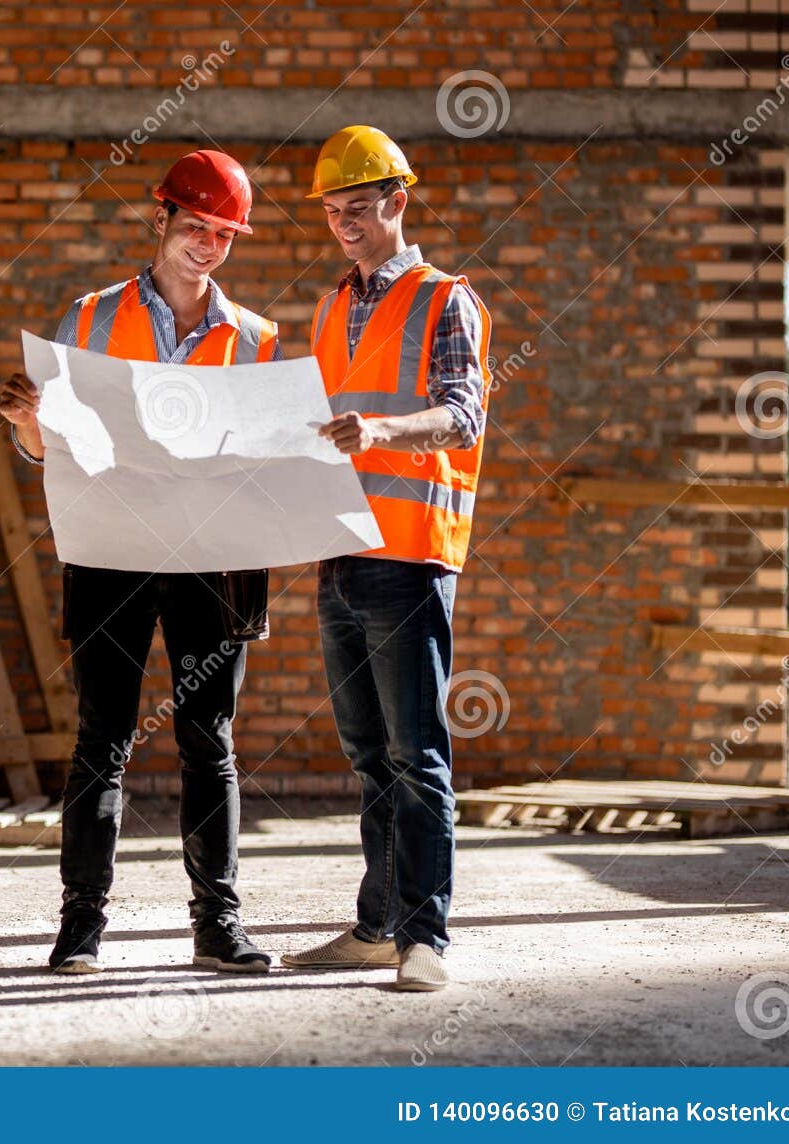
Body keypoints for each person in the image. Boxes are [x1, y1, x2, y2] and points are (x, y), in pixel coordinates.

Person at [0, 150, 279, 974]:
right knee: (102, 740)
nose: (209, 246)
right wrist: (25, 421)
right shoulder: (86, 318)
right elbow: (52, 449)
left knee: (210, 739)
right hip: (112, 553)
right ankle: (80, 927)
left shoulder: (257, 339)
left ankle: (217, 927)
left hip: (212, 560)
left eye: (225, 234)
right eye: (197, 227)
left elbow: (268, 459)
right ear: (159, 220)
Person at [280, 126, 492, 992]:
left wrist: (384, 431)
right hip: (339, 553)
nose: (344, 225)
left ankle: (425, 937)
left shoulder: (447, 300)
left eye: (359, 209)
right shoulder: (332, 306)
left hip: (408, 558)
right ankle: (377, 924)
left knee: (417, 754)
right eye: (333, 212)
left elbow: (463, 416)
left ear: (398, 203)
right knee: (370, 757)